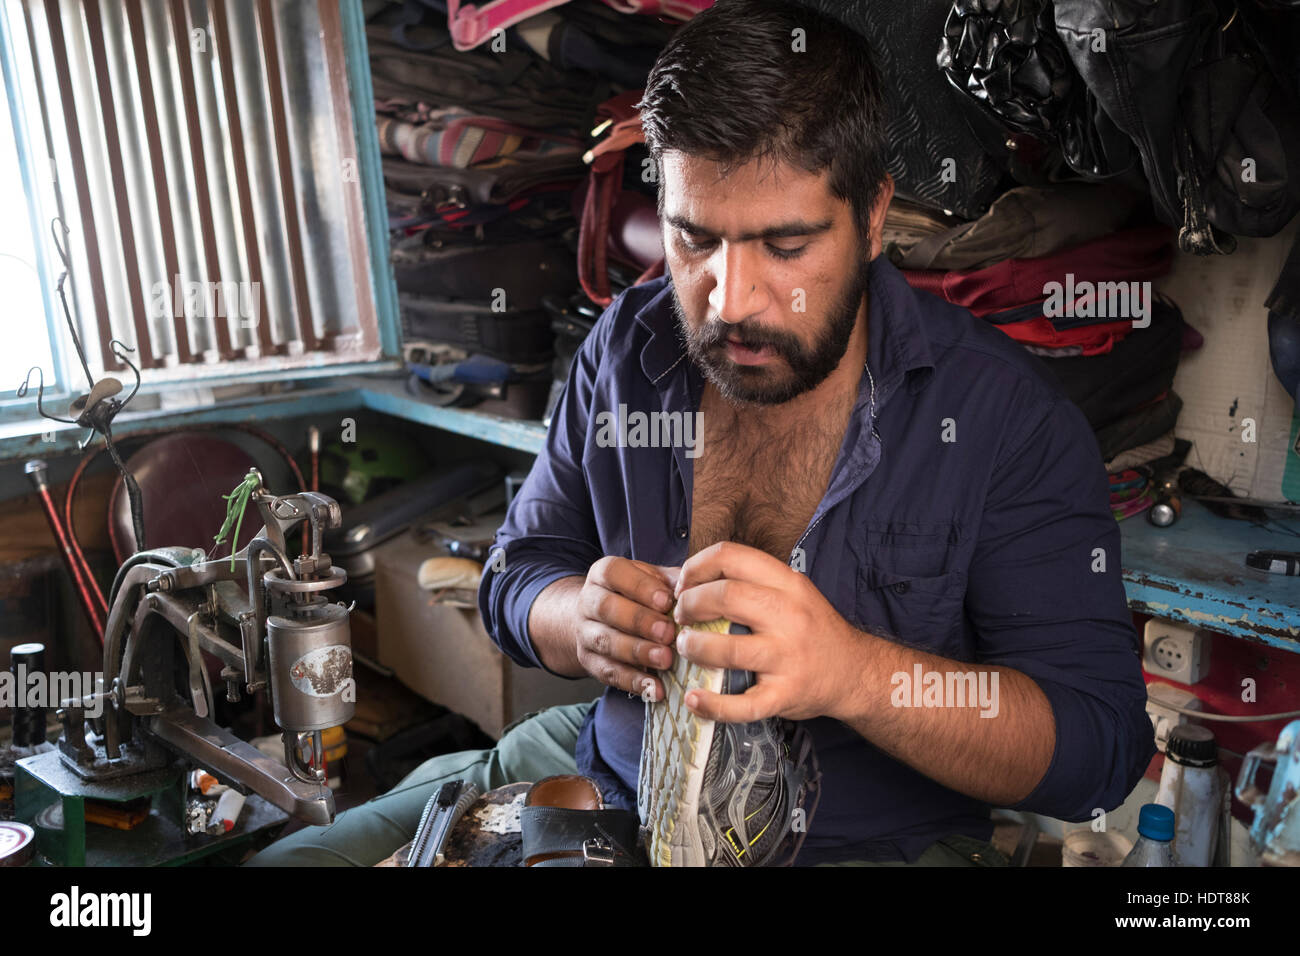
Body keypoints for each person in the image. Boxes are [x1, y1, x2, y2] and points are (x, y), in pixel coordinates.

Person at [249, 0, 1153, 867]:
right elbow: (515, 576)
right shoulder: (628, 345)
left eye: (786, 247)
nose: (731, 303)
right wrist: (578, 621)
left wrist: (853, 674)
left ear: (874, 216)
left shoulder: (1002, 420)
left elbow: (1097, 747)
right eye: (693, 241)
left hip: (856, 841)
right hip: (603, 772)